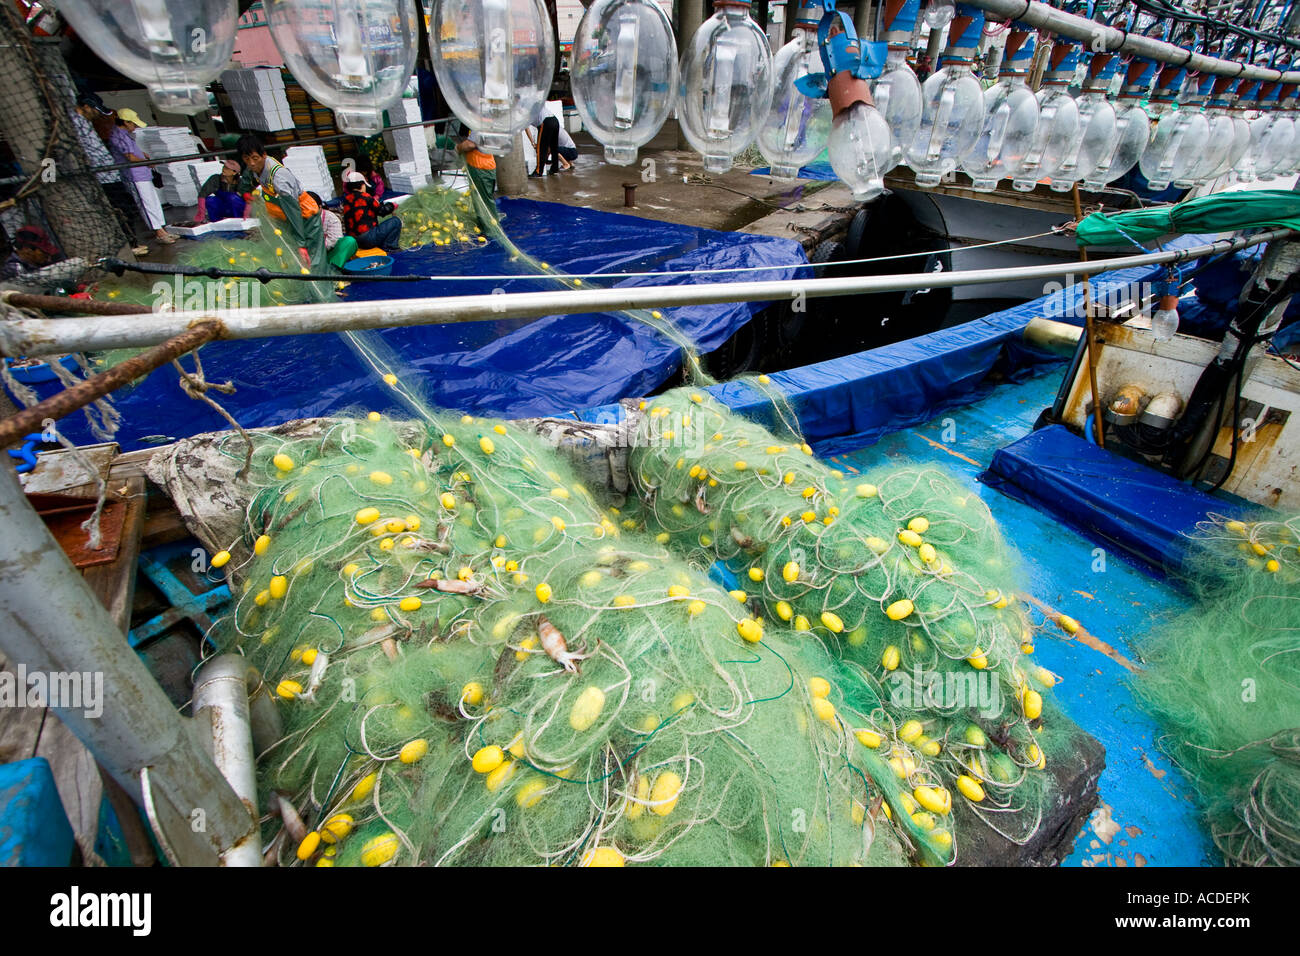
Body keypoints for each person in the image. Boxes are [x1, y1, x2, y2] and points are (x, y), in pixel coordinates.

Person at [238, 133, 325, 270]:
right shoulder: (256, 168)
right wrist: (246, 194)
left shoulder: (279, 178)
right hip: (285, 217)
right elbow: (247, 179)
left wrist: (301, 244)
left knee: (312, 260)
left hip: (304, 217)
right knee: (294, 260)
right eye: (246, 159)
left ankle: (321, 290)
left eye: (255, 158)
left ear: (264, 155)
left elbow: (293, 211)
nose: (251, 163)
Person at [108, 107, 174, 244]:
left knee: (154, 201)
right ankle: (159, 232)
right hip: (134, 175)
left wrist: (143, 155)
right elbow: (130, 157)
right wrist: (147, 161)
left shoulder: (126, 135)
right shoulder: (117, 136)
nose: (135, 126)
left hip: (142, 173)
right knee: (146, 203)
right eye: (133, 123)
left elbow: (133, 152)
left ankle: (162, 228)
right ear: (125, 122)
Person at [339, 170, 401, 253]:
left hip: (354, 241)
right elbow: (382, 211)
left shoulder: (346, 199)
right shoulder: (366, 197)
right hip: (367, 239)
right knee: (395, 221)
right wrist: (392, 206)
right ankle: (390, 247)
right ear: (362, 185)